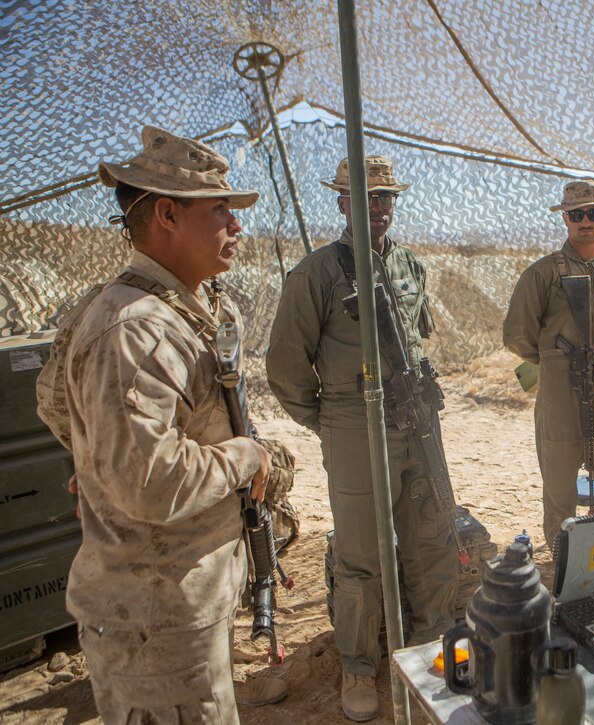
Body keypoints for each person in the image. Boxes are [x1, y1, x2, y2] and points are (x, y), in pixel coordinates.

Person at [35, 126, 273, 723]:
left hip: (175, 607)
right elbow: (149, 484)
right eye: (220, 210)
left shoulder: (174, 307)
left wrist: (98, 460)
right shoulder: (136, 326)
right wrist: (246, 457)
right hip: (155, 622)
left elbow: (55, 401)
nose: (236, 226)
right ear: (167, 214)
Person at [266, 156, 459, 722]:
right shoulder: (317, 273)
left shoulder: (409, 266)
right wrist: (330, 420)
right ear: (343, 203)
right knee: (360, 554)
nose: (378, 208)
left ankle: (431, 645)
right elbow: (286, 368)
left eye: (385, 198)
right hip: (355, 423)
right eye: (365, 198)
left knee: (432, 531)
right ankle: (357, 664)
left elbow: (418, 339)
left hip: (416, 416)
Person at [502, 180, 594, 548]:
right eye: (577, 215)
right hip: (561, 395)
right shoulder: (543, 274)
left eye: (593, 214)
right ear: (565, 218)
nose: (585, 221)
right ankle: (566, 561)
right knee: (561, 485)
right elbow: (517, 335)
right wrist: (555, 363)